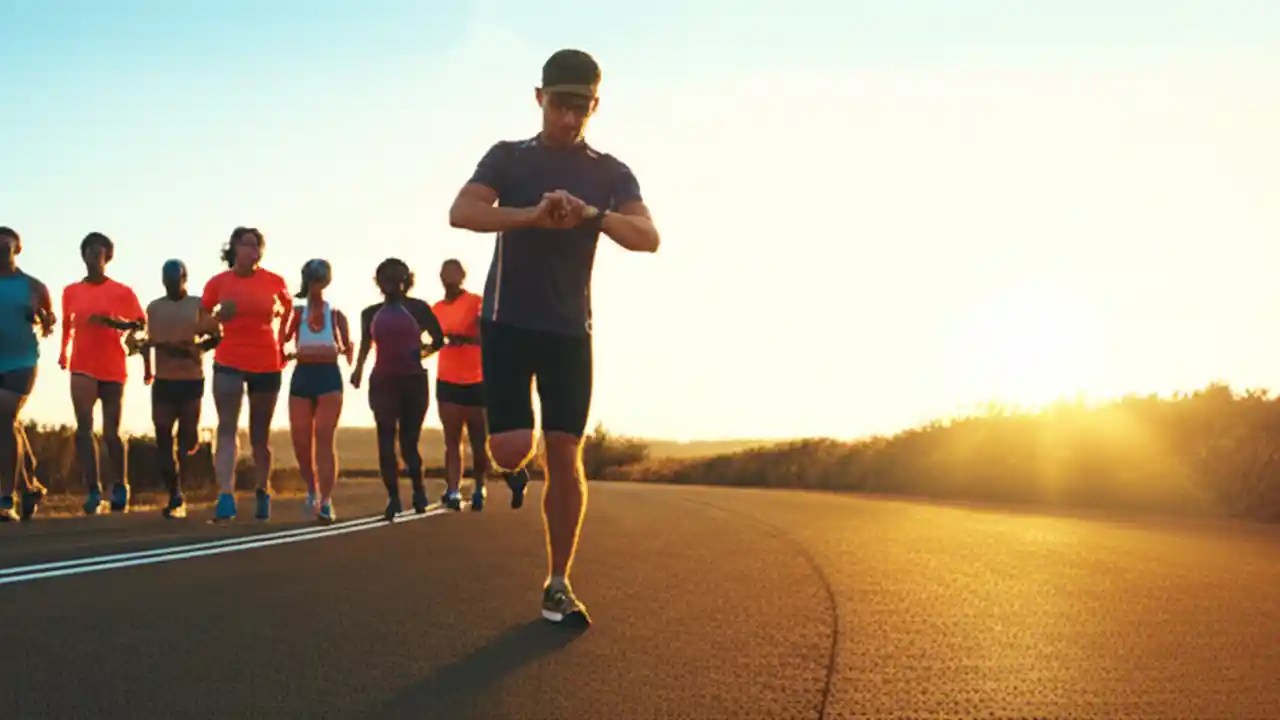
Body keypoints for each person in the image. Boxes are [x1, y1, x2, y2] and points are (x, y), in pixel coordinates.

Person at [447, 49, 661, 626]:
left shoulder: (609, 170)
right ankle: (516, 461)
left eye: (583, 108)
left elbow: (647, 236)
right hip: (508, 322)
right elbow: (462, 212)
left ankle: (558, 582)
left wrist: (592, 215)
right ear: (539, 98)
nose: (570, 119)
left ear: (596, 106)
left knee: (567, 454)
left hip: (569, 330)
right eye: (561, 105)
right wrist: (532, 215)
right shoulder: (507, 157)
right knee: (513, 449)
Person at [201, 227, 292, 522]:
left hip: (266, 361)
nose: (253, 250)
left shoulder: (274, 282)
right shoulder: (218, 283)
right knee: (227, 426)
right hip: (229, 358)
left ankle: (262, 490)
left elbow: (289, 311)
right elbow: (200, 321)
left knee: (259, 435)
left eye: (257, 246)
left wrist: (283, 343)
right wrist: (216, 318)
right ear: (234, 249)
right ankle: (226, 494)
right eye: (247, 245)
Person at [59, 232, 147, 515]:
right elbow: (67, 326)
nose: (94, 258)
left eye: (99, 253)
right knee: (84, 428)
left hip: (112, 365)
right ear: (82, 255)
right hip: (82, 364)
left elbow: (139, 323)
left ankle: (120, 487)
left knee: (111, 431)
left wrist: (113, 322)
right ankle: (93, 490)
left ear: (107, 258)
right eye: (89, 252)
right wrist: (63, 353)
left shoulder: (122, 291)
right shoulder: (71, 291)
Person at [431, 258, 529, 511]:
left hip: (476, 380)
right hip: (447, 379)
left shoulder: (475, 302)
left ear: (462, 276)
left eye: (453, 273)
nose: (448, 277)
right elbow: (434, 339)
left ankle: (479, 487)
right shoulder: (437, 308)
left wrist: (464, 338)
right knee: (452, 439)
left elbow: (489, 332)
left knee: (479, 440)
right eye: (444, 273)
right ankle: (452, 490)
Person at [351, 259, 443, 521]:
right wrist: (358, 370)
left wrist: (421, 354)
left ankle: (418, 490)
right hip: (383, 381)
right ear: (378, 282)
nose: (391, 284)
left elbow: (438, 340)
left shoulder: (418, 309)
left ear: (406, 280)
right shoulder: (370, 313)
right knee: (385, 439)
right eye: (386, 279)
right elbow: (366, 344)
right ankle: (393, 497)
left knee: (408, 442)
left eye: (397, 278)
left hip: (413, 381)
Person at [141, 259, 220, 519]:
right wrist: (147, 369)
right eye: (168, 279)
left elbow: (217, 336)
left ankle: (192, 437)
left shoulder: (198, 306)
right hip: (164, 380)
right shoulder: (154, 308)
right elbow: (148, 342)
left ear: (185, 278)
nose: (173, 283)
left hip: (191, 379)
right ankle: (175, 494)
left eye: (177, 278)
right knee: (163, 436)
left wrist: (197, 348)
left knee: (186, 438)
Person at [283, 259, 352, 525]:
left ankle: (326, 500)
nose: (315, 285)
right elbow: (282, 340)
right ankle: (312, 488)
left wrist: (347, 356)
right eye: (312, 279)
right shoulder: (297, 313)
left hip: (327, 377)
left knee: (324, 436)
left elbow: (347, 346)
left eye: (319, 279)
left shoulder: (336, 316)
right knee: (301, 440)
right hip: (303, 376)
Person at [0, 227, 54, 522]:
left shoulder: (33, 286)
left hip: (21, 360)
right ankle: (29, 486)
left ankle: (5, 497)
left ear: (16, 250)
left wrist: (43, 318)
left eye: (6, 245)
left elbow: (49, 321)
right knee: (7, 424)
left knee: (4, 416)